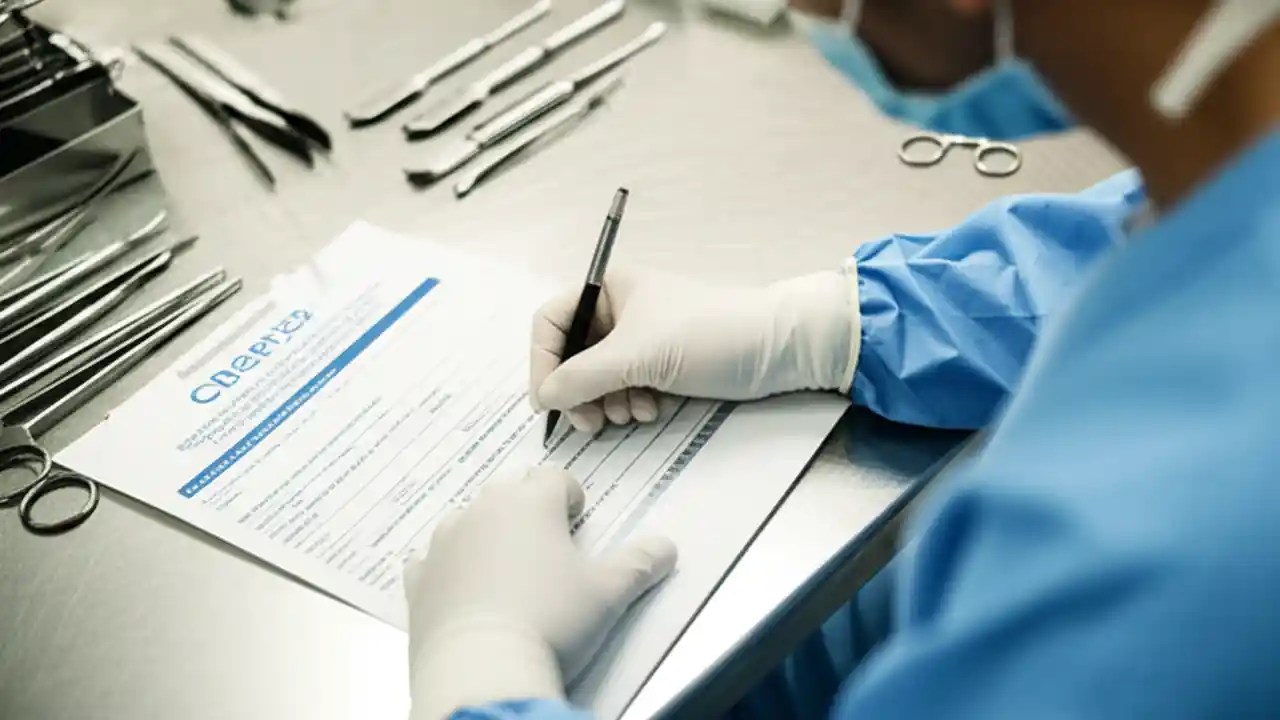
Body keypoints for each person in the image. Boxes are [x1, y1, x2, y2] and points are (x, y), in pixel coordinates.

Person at [404, 1, 1280, 718]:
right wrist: (831, 323)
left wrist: (481, 669)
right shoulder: (1236, 147)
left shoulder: (1167, 552)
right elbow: (1170, 243)